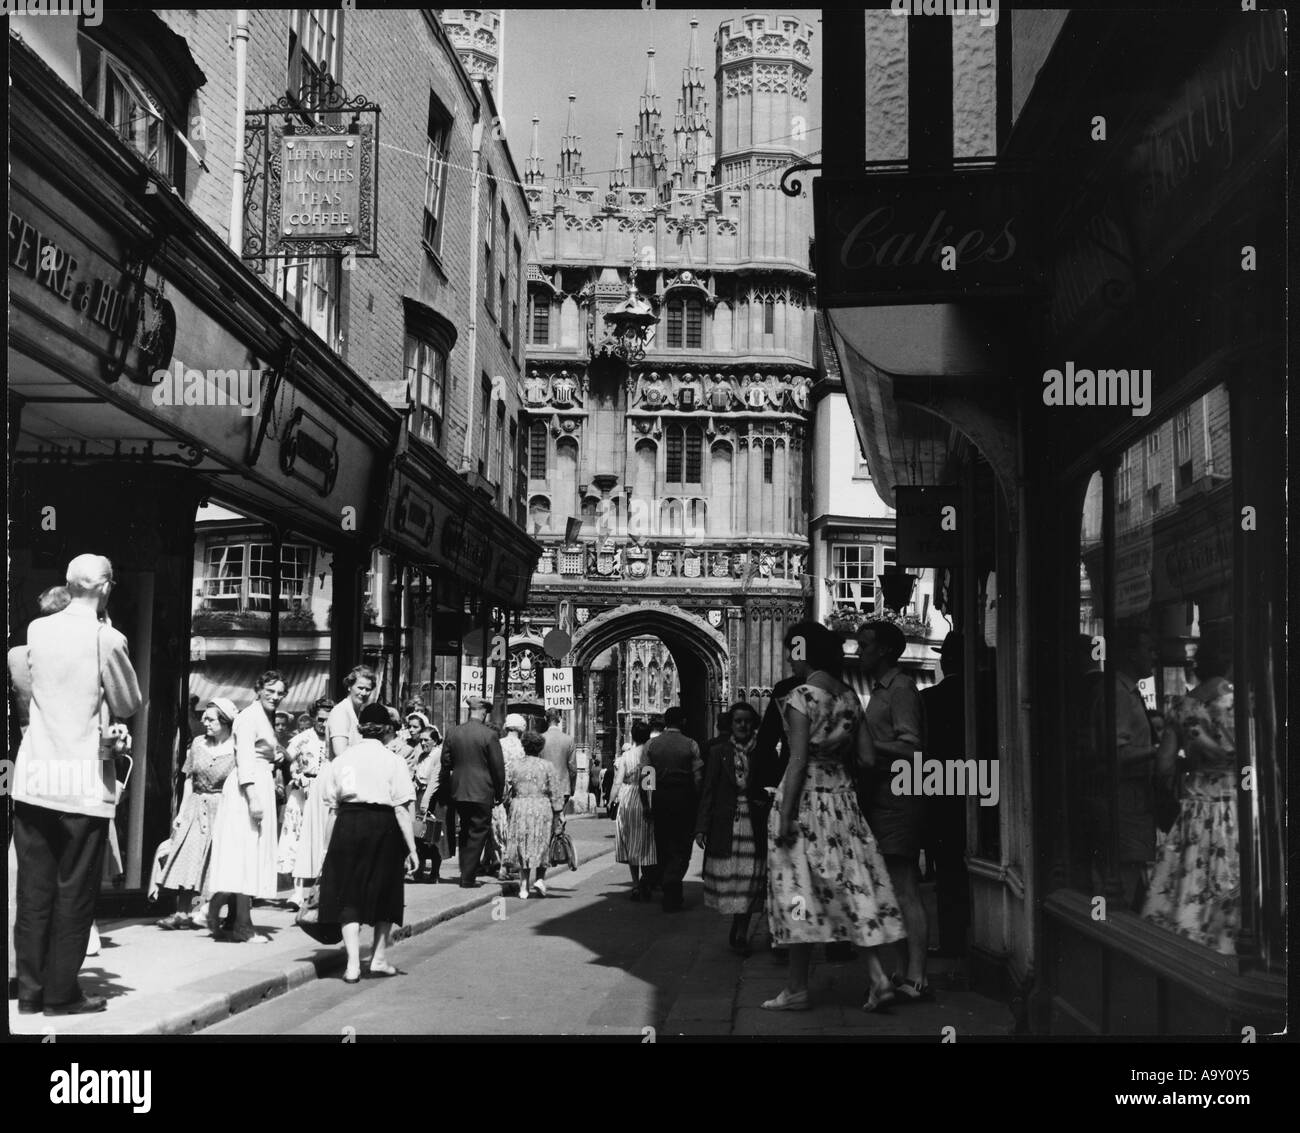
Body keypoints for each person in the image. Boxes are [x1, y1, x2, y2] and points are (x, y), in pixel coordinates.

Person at [12, 558, 142, 1016]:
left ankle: (29, 990)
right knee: (73, 891)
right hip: (81, 782)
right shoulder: (106, 638)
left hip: (34, 777)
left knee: (33, 889)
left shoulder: (38, 630)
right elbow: (128, 702)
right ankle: (60, 993)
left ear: (69, 585)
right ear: (106, 588)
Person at [763, 622, 905, 1013]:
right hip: (843, 804)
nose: (789, 658)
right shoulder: (849, 699)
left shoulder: (800, 697)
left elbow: (796, 762)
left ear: (803, 651)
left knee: (797, 892)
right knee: (849, 888)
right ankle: (875, 976)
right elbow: (868, 759)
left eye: (792, 650)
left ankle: (796, 988)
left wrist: (786, 816)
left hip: (805, 803)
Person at [1141, 645, 1239, 953]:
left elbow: (1164, 765)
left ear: (1196, 668)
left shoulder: (1183, 708)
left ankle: (1190, 945)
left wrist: (1190, 765)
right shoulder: (1244, 701)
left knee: (1188, 879)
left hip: (1197, 805)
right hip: (1236, 804)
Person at [855, 619, 931, 1001]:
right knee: (893, 888)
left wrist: (866, 740)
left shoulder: (901, 689)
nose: (858, 651)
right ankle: (903, 970)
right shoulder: (882, 690)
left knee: (905, 887)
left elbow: (914, 751)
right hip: (882, 799)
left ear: (884, 650)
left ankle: (916, 975)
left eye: (865, 644)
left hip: (899, 800)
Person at [318, 703, 418, 982]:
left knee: (348, 892)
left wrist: (327, 849)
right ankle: (379, 958)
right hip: (382, 826)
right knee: (384, 890)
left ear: (360, 728)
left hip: (347, 825)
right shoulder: (393, 761)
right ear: (387, 729)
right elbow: (400, 808)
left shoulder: (342, 760)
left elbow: (332, 808)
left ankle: (352, 964)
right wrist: (412, 848)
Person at [207, 670, 288, 943]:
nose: (275, 697)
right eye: (271, 691)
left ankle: (222, 909)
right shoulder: (249, 716)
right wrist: (253, 796)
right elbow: (243, 758)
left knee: (250, 855)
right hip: (248, 789)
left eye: (280, 693)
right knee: (247, 855)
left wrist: (276, 754)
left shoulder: (263, 717)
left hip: (260, 783)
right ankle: (242, 923)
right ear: (259, 689)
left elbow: (260, 750)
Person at [155, 698, 238, 929]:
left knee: (215, 860)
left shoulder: (236, 750)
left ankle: (213, 912)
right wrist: (181, 812)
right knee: (187, 856)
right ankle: (181, 913)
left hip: (222, 807)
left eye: (210, 719)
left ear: (225, 721)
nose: (204, 722)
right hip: (196, 806)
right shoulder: (198, 744)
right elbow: (189, 779)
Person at [295, 666, 377, 891]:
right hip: (336, 779)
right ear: (349, 686)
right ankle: (316, 895)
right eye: (360, 687)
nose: (363, 692)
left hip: (345, 777)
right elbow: (341, 753)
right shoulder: (341, 712)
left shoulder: (354, 711)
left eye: (368, 689)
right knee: (327, 838)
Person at [695, 701, 768, 953]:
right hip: (727, 823)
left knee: (750, 879)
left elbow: (773, 783)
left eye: (747, 721)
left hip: (754, 823)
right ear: (731, 724)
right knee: (733, 880)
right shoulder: (719, 752)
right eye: (738, 721)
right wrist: (702, 827)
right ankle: (738, 924)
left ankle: (741, 931)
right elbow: (709, 790)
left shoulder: (764, 751)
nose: (743, 725)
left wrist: (764, 798)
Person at [919, 632, 971, 956]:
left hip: (939, 791)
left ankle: (952, 942)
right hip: (981, 786)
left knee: (947, 872)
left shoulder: (928, 699)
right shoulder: (986, 694)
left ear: (943, 660)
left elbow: (920, 754)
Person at [440, 696, 506, 888]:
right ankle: (467, 877)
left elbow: (445, 764)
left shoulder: (453, 732)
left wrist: (446, 789)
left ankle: (465, 871)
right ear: (484, 713)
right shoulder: (489, 735)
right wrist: (499, 793)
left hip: (459, 790)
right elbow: (497, 768)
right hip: (482, 791)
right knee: (478, 832)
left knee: (466, 831)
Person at [644, 705, 704, 912]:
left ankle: (667, 883)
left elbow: (646, 779)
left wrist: (647, 804)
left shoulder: (651, 745)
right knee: (681, 847)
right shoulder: (691, 745)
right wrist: (697, 802)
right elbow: (697, 778)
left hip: (660, 799)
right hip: (684, 800)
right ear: (683, 722)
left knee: (662, 844)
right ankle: (672, 885)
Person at [277, 697, 333, 909]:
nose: (324, 724)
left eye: (328, 719)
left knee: (322, 840)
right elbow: (287, 760)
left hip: (325, 795)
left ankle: (321, 890)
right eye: (320, 719)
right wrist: (297, 776)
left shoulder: (334, 739)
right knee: (297, 839)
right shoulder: (302, 738)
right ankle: (298, 892)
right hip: (302, 794)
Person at [505, 730, 565, 898]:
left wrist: (509, 802)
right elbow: (555, 790)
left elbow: (505, 789)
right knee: (542, 842)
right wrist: (559, 811)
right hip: (542, 806)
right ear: (540, 748)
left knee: (523, 842)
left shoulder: (514, 765)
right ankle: (539, 879)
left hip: (520, 806)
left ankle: (523, 885)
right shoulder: (547, 766)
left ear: (523, 746)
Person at [611, 721, 657, 899]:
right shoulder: (650, 754)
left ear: (632, 735)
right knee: (646, 841)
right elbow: (649, 783)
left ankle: (636, 883)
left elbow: (617, 782)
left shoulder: (626, 756)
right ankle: (647, 880)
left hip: (628, 798)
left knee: (630, 839)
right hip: (646, 797)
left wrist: (611, 801)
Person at [532, 709, 575, 897]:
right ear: (560, 719)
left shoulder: (541, 739)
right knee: (554, 829)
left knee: (542, 830)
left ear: (545, 719)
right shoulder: (568, 739)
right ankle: (542, 873)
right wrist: (571, 788)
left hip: (543, 789)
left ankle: (537, 874)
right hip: (562, 789)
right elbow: (573, 768)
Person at [494, 715, 528, 879]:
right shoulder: (523, 747)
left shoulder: (498, 744)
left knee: (501, 827)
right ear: (522, 728)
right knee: (514, 827)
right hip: (517, 791)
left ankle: (502, 864)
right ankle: (509, 865)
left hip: (500, 790)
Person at [413, 725, 445, 882]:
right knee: (418, 835)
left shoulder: (437, 755)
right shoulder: (422, 756)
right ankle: (419, 869)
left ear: (435, 740)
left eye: (426, 740)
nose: (423, 743)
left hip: (432, 799)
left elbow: (434, 781)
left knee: (432, 836)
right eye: (421, 740)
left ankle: (435, 872)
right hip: (419, 795)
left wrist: (425, 802)